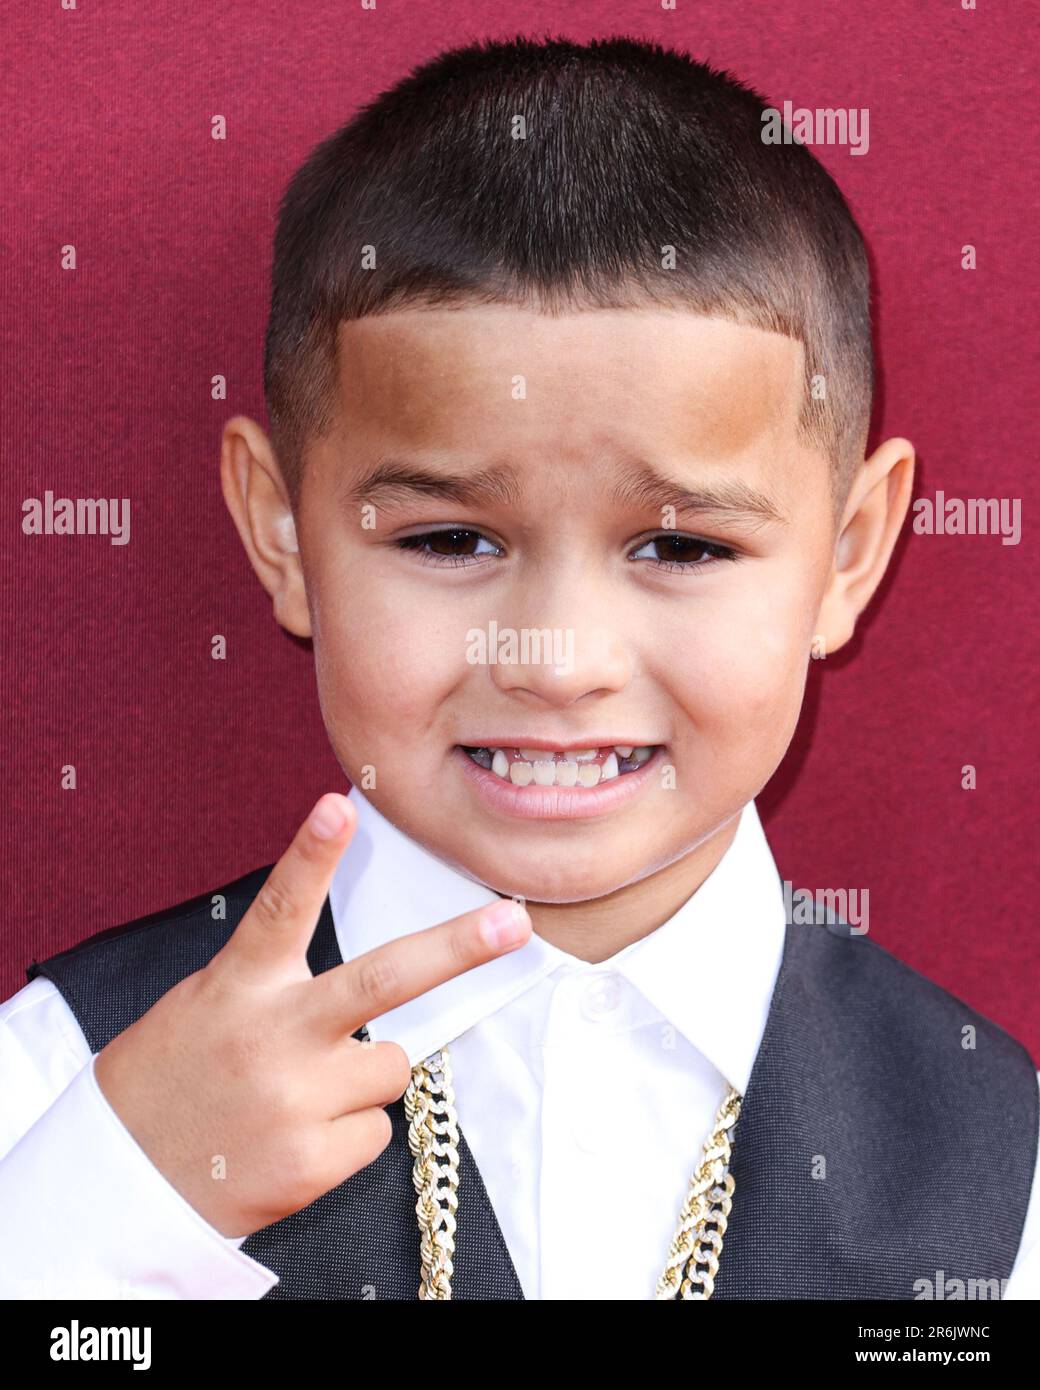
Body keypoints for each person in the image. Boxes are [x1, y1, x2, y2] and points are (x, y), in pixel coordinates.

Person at [2, 34, 1036, 1301]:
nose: (555, 660)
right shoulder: (68, 1087)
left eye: (679, 544)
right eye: (448, 539)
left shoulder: (1004, 1174)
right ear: (281, 529)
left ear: (846, 555)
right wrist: (104, 1213)